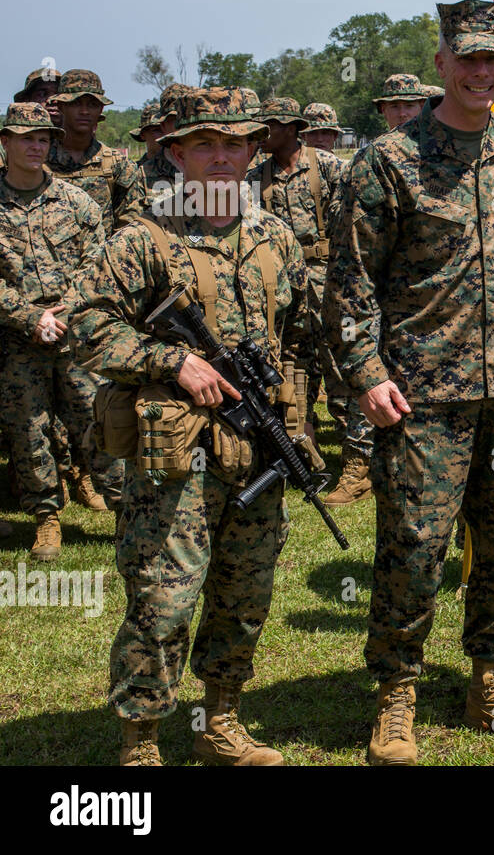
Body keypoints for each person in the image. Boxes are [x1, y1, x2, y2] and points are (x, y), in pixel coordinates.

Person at [327, 0, 494, 763]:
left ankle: (489, 679)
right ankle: (397, 694)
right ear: (441, 65)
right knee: (414, 547)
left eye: (492, 59)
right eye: (466, 58)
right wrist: (365, 372)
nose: (479, 70)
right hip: (421, 395)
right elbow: (350, 281)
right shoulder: (389, 160)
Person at [70, 86, 309, 766]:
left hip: (255, 446)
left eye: (236, 144)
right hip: (173, 455)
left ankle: (219, 721)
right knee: (163, 597)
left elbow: (291, 338)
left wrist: (292, 420)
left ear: (254, 149)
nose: (223, 157)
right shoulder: (143, 238)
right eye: (206, 143)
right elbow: (88, 327)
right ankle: (141, 740)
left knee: (244, 591)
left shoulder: (275, 238)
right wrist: (171, 360)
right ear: (175, 153)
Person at [0, 103, 115, 558]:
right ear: (5, 142)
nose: (36, 146)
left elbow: (98, 261)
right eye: (26, 138)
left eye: (43, 139)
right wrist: (31, 317)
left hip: (76, 334)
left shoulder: (76, 202)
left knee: (97, 419)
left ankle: (125, 508)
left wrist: (66, 310)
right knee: (29, 429)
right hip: (17, 339)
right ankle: (46, 517)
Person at [248, 97, 345, 466]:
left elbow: (352, 226)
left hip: (326, 278)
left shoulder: (329, 168)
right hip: (281, 285)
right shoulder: (255, 179)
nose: (262, 133)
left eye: (270, 125)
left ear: (290, 128)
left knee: (339, 361)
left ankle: (357, 458)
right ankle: (300, 443)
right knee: (292, 364)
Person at [47, 69, 146, 229]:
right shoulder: (38, 160)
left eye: (92, 104)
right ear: (61, 106)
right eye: (76, 103)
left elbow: (130, 225)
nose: (84, 111)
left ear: (101, 109)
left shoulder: (118, 165)